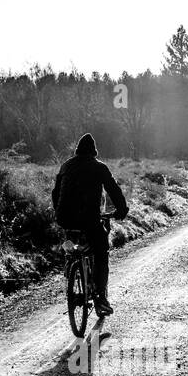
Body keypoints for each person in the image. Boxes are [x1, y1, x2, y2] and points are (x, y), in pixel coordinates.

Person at [52, 132, 129, 315]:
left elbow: (55, 194)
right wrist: (121, 210)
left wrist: (59, 213)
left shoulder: (65, 166)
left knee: (73, 245)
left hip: (65, 219)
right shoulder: (98, 167)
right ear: (94, 152)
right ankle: (100, 298)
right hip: (89, 219)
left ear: (77, 151)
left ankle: (72, 266)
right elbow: (113, 189)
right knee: (101, 252)